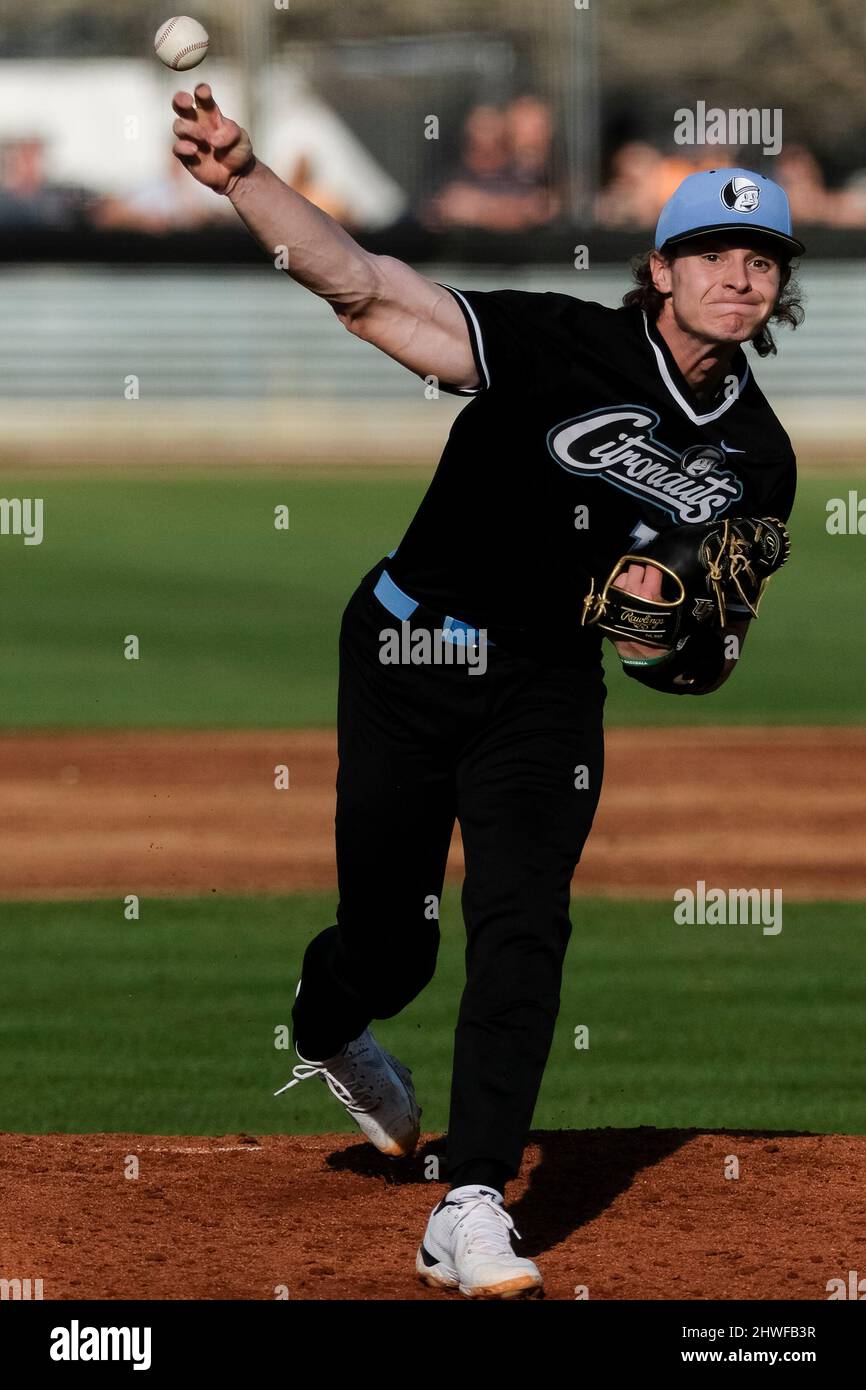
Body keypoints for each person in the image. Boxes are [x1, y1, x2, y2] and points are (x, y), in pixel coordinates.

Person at [170, 86, 803, 1299]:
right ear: (657, 269)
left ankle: (467, 1202)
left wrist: (678, 645)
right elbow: (365, 289)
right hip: (410, 651)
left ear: (778, 285)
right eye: (710, 251)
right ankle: (328, 1023)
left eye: (760, 256)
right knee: (390, 944)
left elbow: (711, 644)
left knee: (521, 921)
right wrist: (245, 177)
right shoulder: (556, 341)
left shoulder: (757, 458)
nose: (736, 273)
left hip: (545, 687)